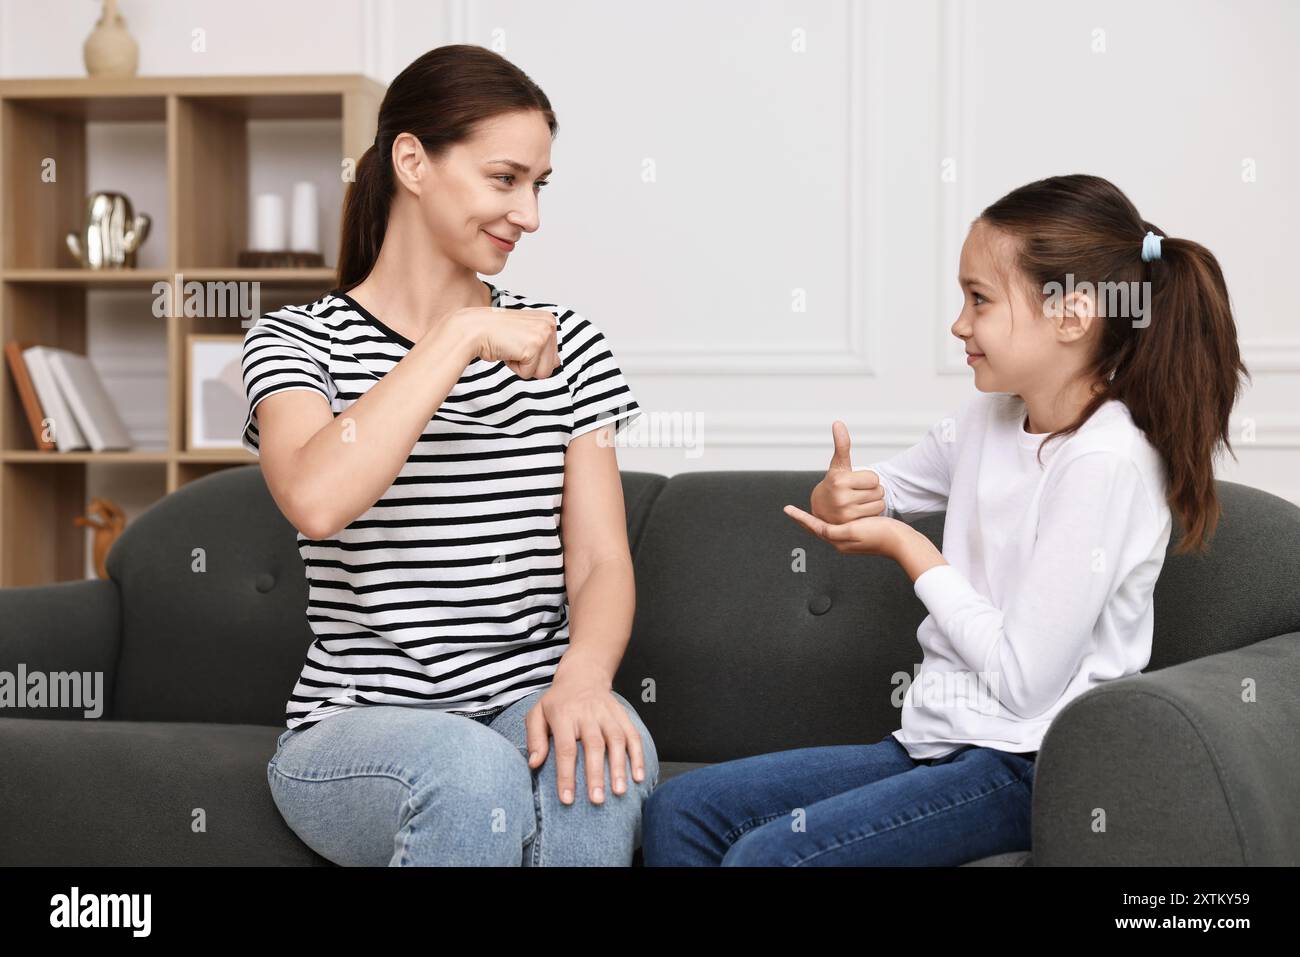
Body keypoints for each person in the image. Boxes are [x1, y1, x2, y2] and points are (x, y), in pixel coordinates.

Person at [641, 173, 1250, 866]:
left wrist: (909, 549)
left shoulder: (1104, 464)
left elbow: (1025, 680)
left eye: (980, 299)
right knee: (680, 812)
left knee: (770, 857)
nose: (959, 323)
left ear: (1072, 315)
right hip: (933, 740)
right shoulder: (989, 419)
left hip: (1026, 765)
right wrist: (839, 492)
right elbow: (881, 490)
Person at [242, 44, 658, 866]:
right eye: (506, 179)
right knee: (471, 775)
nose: (529, 214)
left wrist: (582, 679)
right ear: (412, 162)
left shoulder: (566, 344)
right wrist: (460, 334)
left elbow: (601, 560)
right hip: (356, 727)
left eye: (539, 186)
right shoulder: (294, 343)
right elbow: (319, 497)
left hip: (534, 691)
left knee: (597, 772)